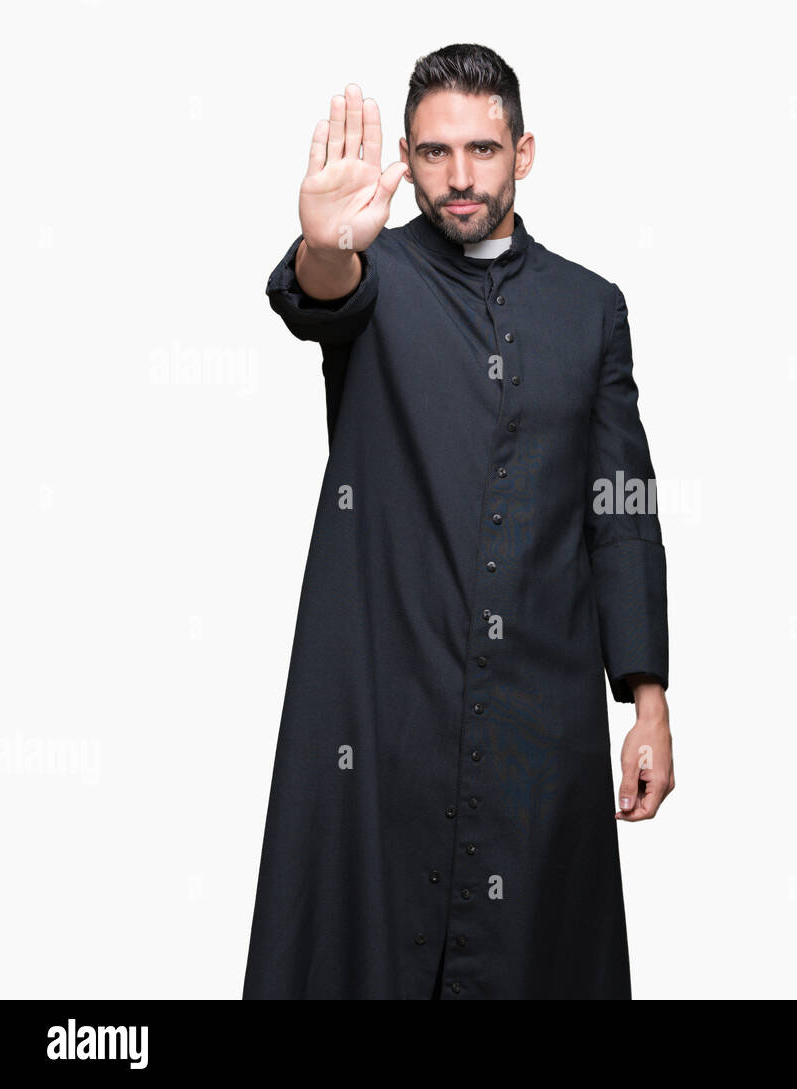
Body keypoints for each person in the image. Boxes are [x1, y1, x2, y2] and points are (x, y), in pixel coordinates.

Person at [242, 43, 673, 1000]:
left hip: (537, 719)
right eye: (434, 154)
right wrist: (323, 244)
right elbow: (318, 300)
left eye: (483, 149)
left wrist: (646, 701)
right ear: (405, 153)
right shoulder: (372, 270)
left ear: (525, 151)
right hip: (381, 710)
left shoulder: (591, 308)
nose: (460, 176)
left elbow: (624, 506)